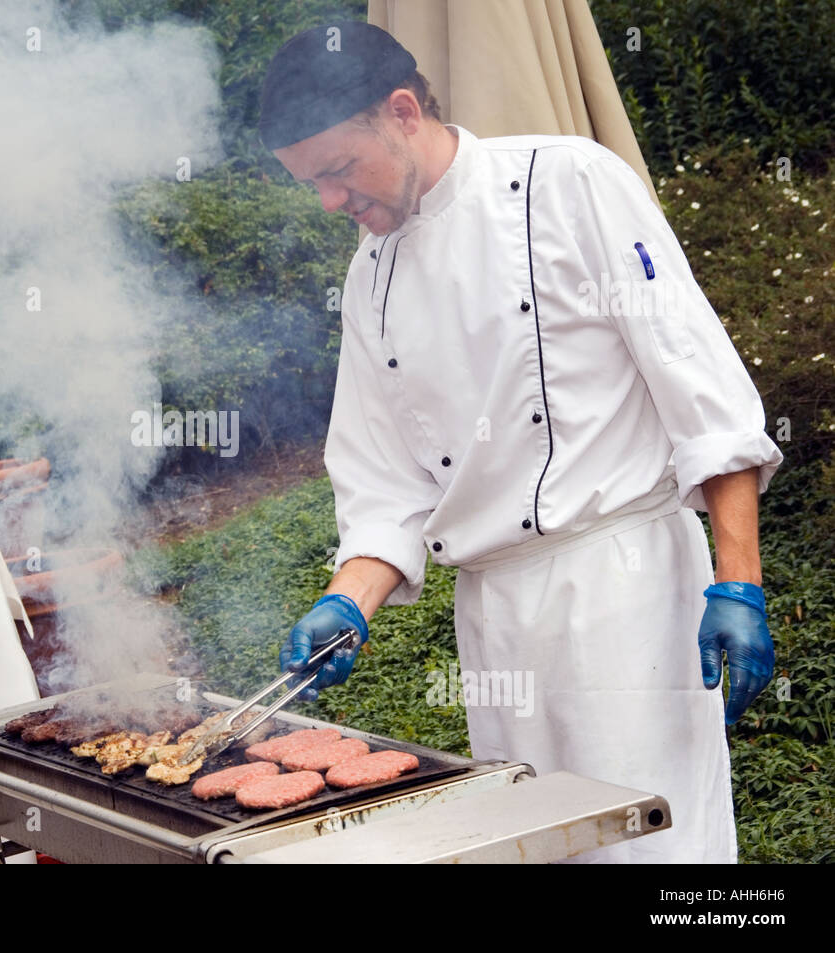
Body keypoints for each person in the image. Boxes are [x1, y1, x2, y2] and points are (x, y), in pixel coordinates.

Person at [261, 22, 781, 863]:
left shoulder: (571, 181)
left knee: (654, 844)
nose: (328, 200)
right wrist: (345, 603)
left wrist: (740, 585)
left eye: (335, 170)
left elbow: (705, 397)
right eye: (308, 184)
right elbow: (384, 487)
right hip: (494, 615)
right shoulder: (370, 278)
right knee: (530, 849)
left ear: (401, 112)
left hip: (626, 590)